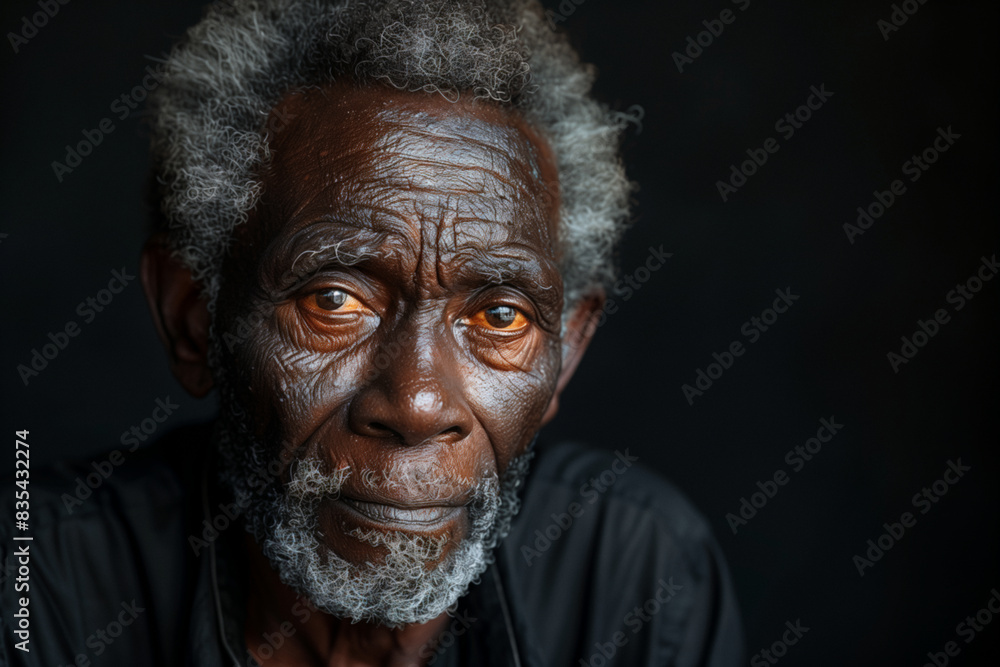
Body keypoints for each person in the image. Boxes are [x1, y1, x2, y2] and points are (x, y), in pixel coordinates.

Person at [0, 1, 743, 665]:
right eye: (334, 299)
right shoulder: (39, 578)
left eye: (500, 316)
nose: (417, 403)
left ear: (566, 353)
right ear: (194, 317)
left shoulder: (637, 573)